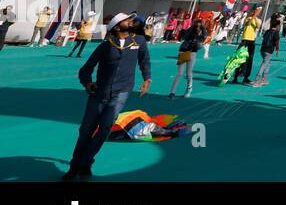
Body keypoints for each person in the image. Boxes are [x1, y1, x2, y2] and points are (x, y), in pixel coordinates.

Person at [64, 13, 152, 180]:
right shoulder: (105, 46)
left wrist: (147, 77)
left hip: (122, 92)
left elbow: (144, 60)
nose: (130, 21)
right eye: (126, 20)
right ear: (117, 27)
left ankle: (85, 162)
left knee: (105, 128)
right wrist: (88, 84)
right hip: (100, 93)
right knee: (86, 131)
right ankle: (76, 166)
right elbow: (86, 69)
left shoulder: (138, 41)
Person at [169, 17, 205, 98]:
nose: (198, 27)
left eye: (199, 26)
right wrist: (193, 26)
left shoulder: (202, 34)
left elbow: (204, 36)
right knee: (180, 73)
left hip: (192, 53)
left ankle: (189, 88)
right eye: (197, 25)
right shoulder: (190, 31)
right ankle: (172, 92)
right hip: (184, 51)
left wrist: (202, 27)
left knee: (188, 73)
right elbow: (185, 36)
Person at [231, 6, 261, 84]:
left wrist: (256, 16)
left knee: (250, 59)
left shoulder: (258, 20)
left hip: (252, 41)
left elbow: (257, 26)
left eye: (257, 11)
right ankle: (236, 76)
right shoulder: (248, 18)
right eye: (255, 11)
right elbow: (248, 23)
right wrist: (254, 15)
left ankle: (246, 77)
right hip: (245, 40)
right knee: (239, 58)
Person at [252, 17, 282, 87]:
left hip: (263, 49)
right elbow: (277, 42)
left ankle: (264, 79)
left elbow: (264, 38)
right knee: (264, 64)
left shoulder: (267, 31)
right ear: (277, 26)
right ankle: (257, 80)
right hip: (269, 50)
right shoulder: (276, 33)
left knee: (268, 63)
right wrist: (277, 50)